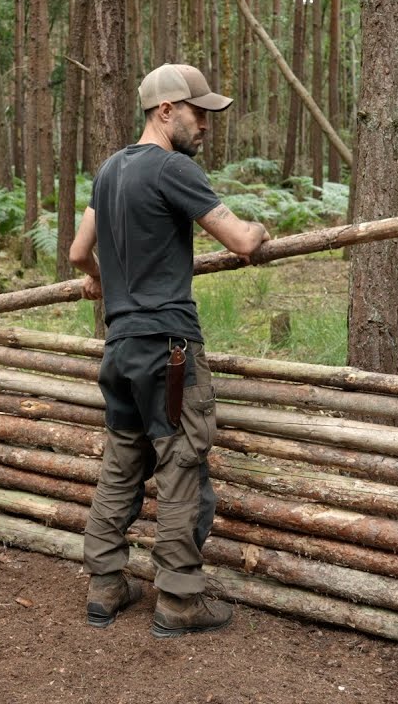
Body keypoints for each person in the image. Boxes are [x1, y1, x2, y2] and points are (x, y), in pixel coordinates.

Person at [69, 63, 270, 638]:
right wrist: (257, 231)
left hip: (121, 345)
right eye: (197, 112)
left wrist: (107, 282)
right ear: (165, 112)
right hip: (170, 348)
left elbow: (80, 252)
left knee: (122, 461)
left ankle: (105, 585)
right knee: (181, 463)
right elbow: (238, 240)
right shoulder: (172, 168)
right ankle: (179, 599)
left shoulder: (109, 172)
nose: (205, 124)